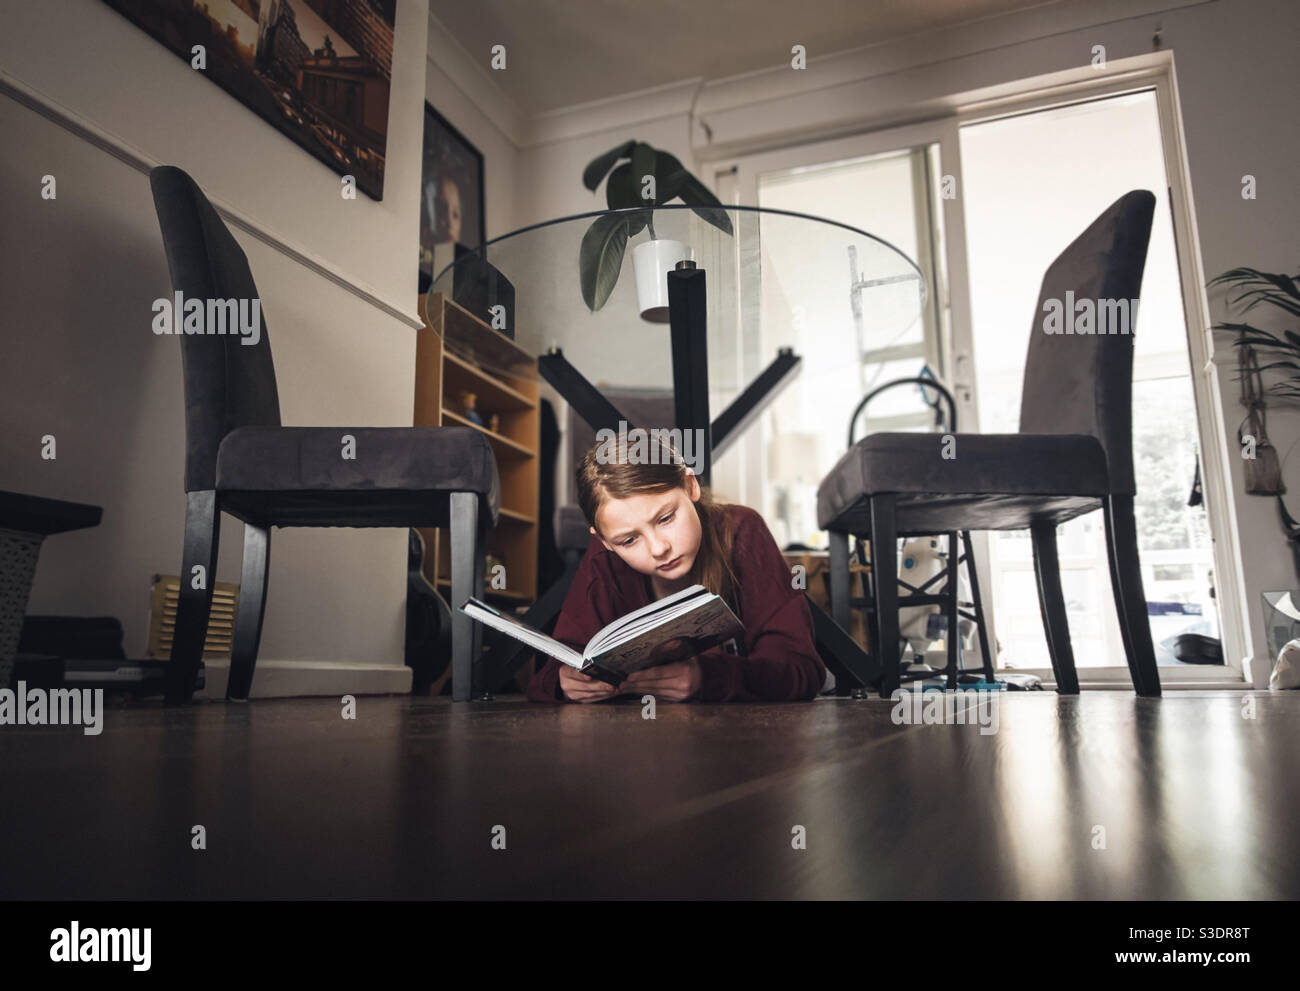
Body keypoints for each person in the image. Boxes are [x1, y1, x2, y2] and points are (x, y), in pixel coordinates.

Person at [525, 434, 827, 703]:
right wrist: (565, 683)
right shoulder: (604, 559)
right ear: (603, 541)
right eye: (629, 540)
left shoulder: (742, 530)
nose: (658, 548)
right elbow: (550, 674)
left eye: (666, 518)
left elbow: (802, 669)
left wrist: (707, 678)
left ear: (690, 485)